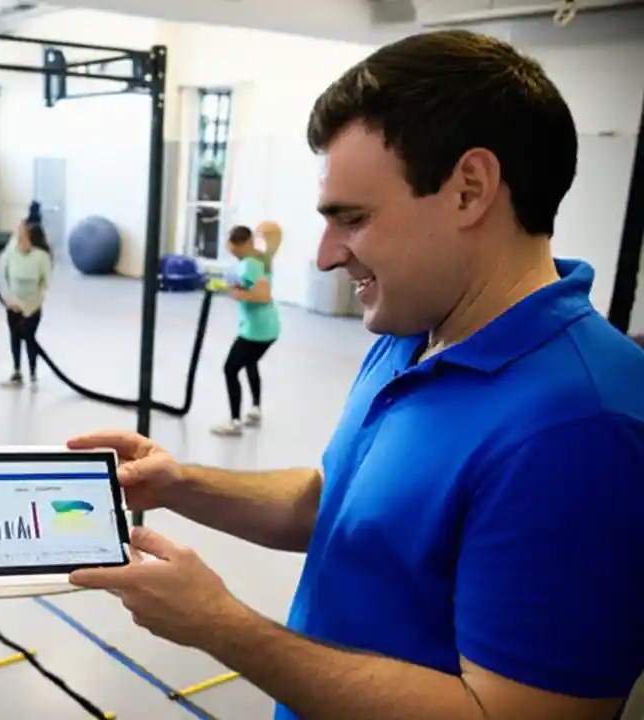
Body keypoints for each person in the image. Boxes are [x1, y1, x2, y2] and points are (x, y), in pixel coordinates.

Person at [65, 29, 644, 720]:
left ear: (469, 190)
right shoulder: (413, 331)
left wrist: (223, 627)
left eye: (354, 219)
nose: (325, 255)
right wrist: (181, 485)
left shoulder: (583, 428)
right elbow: (340, 503)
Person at [212, 221, 282, 436]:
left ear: (240, 244)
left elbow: (262, 296)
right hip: (269, 326)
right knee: (250, 362)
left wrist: (236, 293)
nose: (229, 250)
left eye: (231, 246)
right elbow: (257, 286)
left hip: (256, 330)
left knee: (230, 369)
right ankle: (256, 408)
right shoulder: (261, 258)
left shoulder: (249, 264)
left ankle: (234, 422)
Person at [0, 220, 52, 390]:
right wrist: (9, 300)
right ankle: (16, 372)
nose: (20, 242)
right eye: (19, 238)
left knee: (29, 339)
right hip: (13, 304)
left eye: (24, 238)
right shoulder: (12, 252)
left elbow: (45, 284)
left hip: (32, 306)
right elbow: (3, 273)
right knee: (14, 337)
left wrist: (30, 307)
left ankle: (33, 375)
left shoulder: (41, 257)